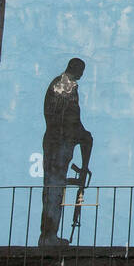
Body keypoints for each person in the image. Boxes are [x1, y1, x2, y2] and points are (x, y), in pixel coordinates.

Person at [39, 58, 92, 248]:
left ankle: (49, 235)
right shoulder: (65, 84)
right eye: (81, 70)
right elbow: (67, 116)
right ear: (74, 68)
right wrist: (82, 135)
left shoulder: (64, 83)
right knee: (54, 188)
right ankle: (48, 237)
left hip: (58, 141)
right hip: (58, 142)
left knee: (54, 187)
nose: (82, 75)